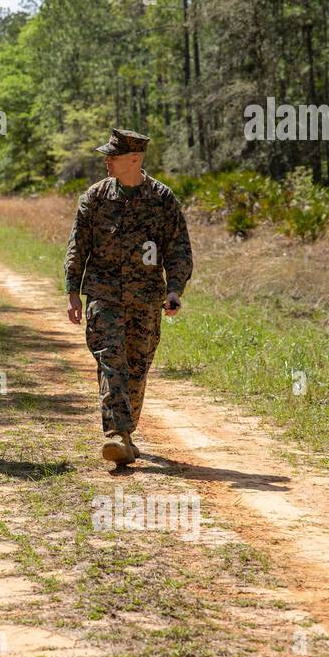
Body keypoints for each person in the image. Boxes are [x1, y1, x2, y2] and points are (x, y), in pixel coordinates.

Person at [63, 128, 193, 467]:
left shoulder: (162, 199)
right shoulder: (95, 197)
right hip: (103, 295)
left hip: (147, 298)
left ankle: (127, 432)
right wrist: (73, 292)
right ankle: (116, 434)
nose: (106, 160)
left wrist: (175, 288)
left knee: (137, 366)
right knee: (112, 361)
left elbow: (178, 248)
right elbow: (78, 246)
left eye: (113, 156)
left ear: (134, 160)